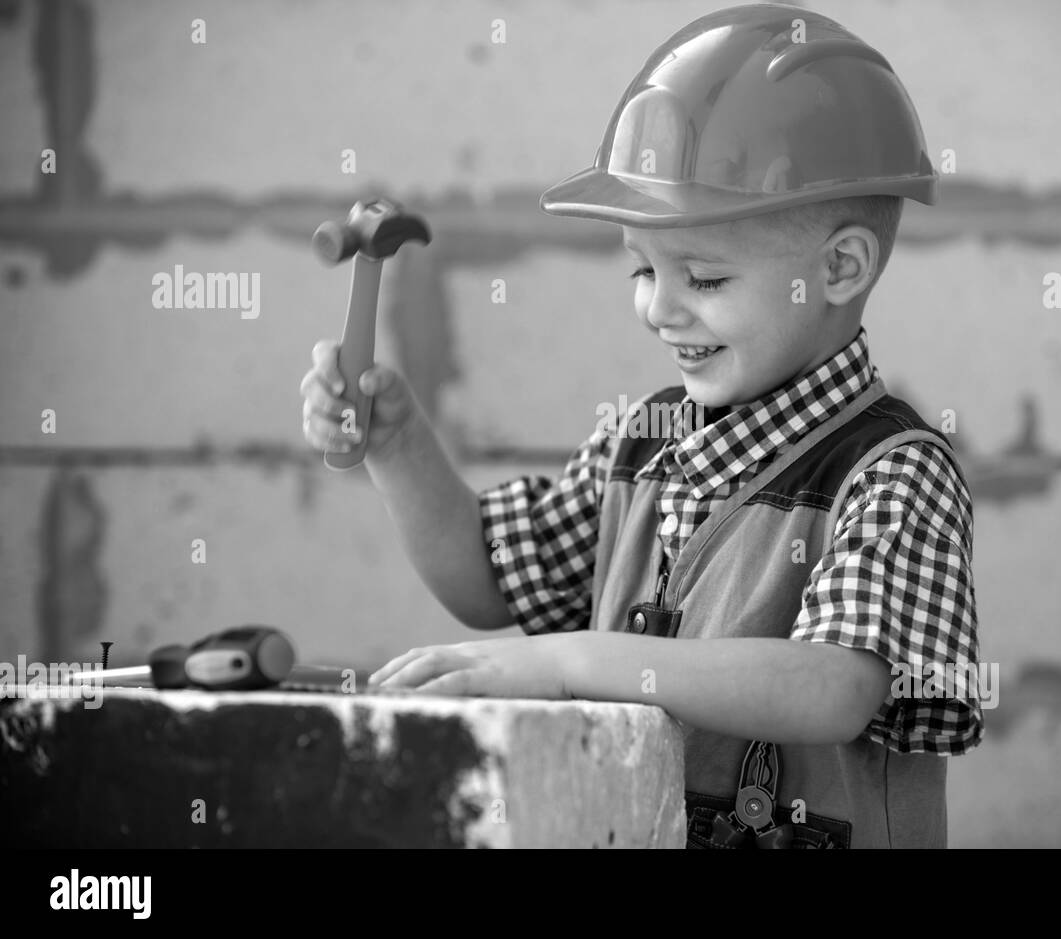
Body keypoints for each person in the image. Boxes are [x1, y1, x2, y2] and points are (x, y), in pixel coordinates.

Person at [300, 4, 983, 848]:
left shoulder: (894, 472)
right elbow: (486, 574)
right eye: (640, 267)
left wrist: (569, 661)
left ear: (839, 267)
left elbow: (834, 684)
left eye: (703, 277)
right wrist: (397, 446)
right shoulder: (644, 441)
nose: (659, 308)